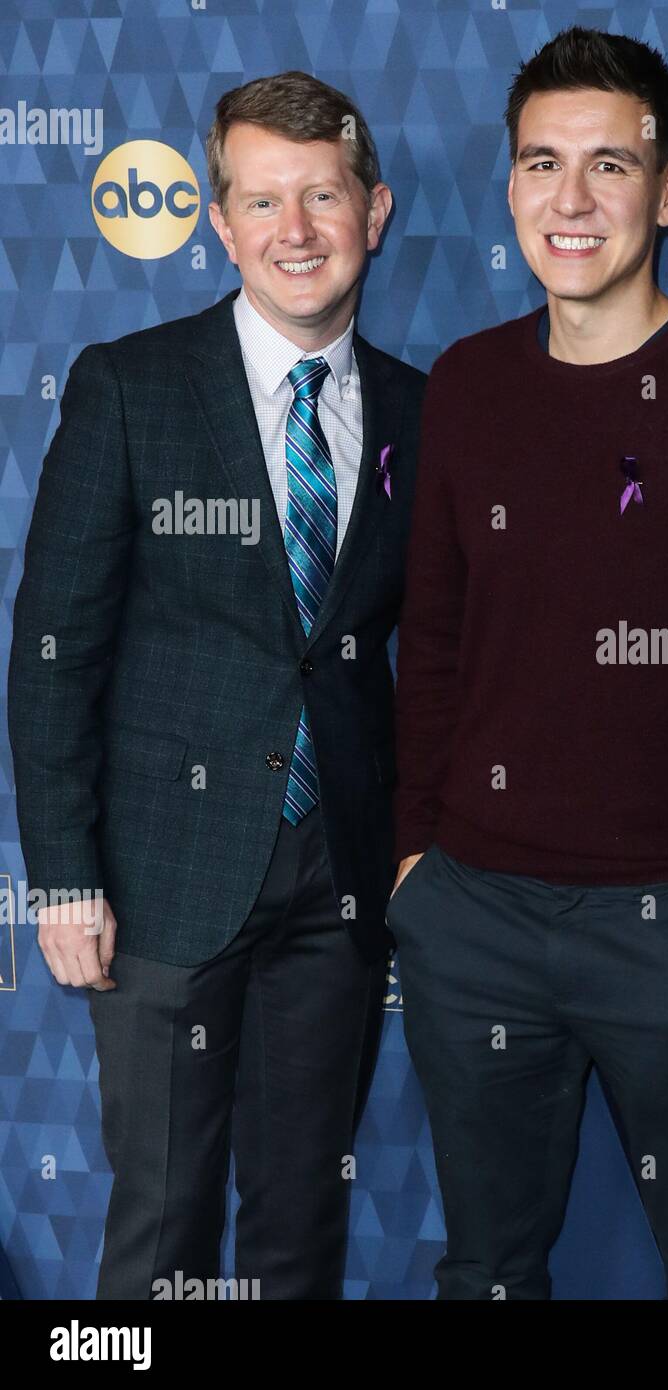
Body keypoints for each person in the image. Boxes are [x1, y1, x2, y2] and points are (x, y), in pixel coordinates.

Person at [388, 26, 668, 1299]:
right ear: (509, 184)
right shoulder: (469, 386)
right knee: (485, 1265)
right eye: (542, 163)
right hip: (468, 912)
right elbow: (430, 645)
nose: (571, 201)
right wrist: (417, 863)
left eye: (609, 164)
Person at [8, 70, 425, 1299]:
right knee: (158, 1230)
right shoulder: (130, 385)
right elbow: (53, 649)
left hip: (337, 879)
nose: (293, 232)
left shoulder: (419, 411)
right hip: (159, 880)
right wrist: (66, 874)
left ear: (376, 211)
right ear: (221, 223)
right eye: (260, 202)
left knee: (301, 1221)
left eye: (321, 197)